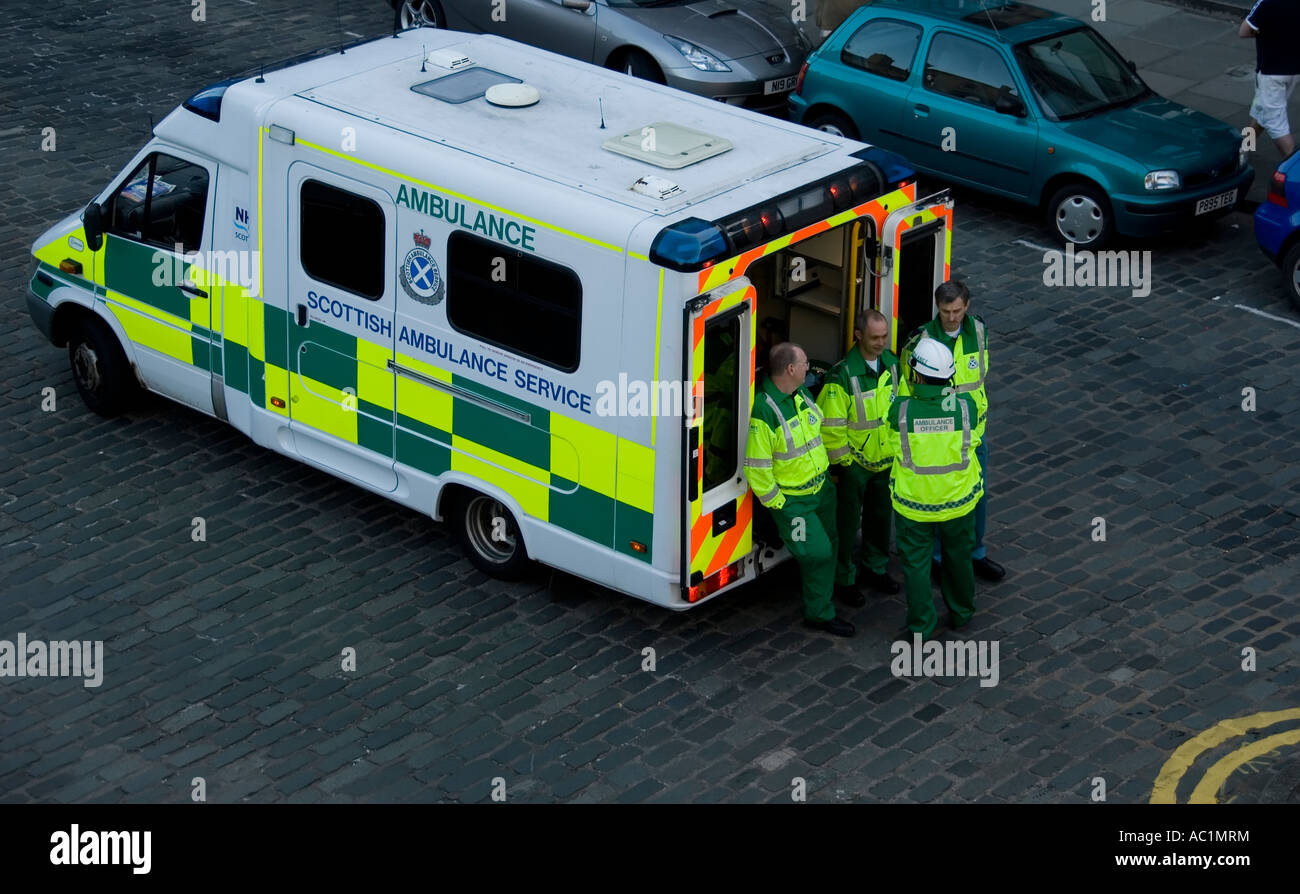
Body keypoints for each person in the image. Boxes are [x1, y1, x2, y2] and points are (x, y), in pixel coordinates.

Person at [744, 342, 853, 637]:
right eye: (805, 363)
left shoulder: (800, 393)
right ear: (791, 369)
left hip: (821, 491)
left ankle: (826, 595)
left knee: (831, 542)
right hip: (796, 503)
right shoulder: (764, 412)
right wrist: (781, 505)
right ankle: (819, 613)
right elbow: (757, 469)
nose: (810, 368)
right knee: (817, 552)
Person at [900, 280, 1004, 582]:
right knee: (935, 499)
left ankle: (975, 553)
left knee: (977, 497)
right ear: (938, 308)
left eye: (957, 310)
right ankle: (937, 559)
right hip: (936, 435)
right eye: (946, 311)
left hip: (973, 433)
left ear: (966, 306)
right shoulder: (920, 341)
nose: (952, 317)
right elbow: (911, 388)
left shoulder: (980, 331)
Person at [885, 338, 982, 640]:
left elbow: (891, 447)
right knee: (959, 556)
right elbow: (975, 439)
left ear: (915, 375)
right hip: (959, 500)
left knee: (915, 565)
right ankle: (962, 611)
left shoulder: (900, 411)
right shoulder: (966, 407)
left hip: (914, 504)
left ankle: (921, 625)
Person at [817, 309, 902, 608]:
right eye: (875, 338)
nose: (881, 343)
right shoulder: (841, 376)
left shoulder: (892, 365)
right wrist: (846, 466)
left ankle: (876, 568)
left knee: (881, 519)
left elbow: (900, 409)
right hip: (855, 467)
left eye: (884, 337)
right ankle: (844, 579)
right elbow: (831, 427)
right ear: (858, 336)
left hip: (885, 461)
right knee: (846, 525)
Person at [1240, 0, 1300, 158]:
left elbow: (1244, 31)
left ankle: (1293, 167)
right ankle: (1245, 148)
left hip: (1271, 72)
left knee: (1276, 124)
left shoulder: (1267, 2)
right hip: (1294, 70)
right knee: (1260, 111)